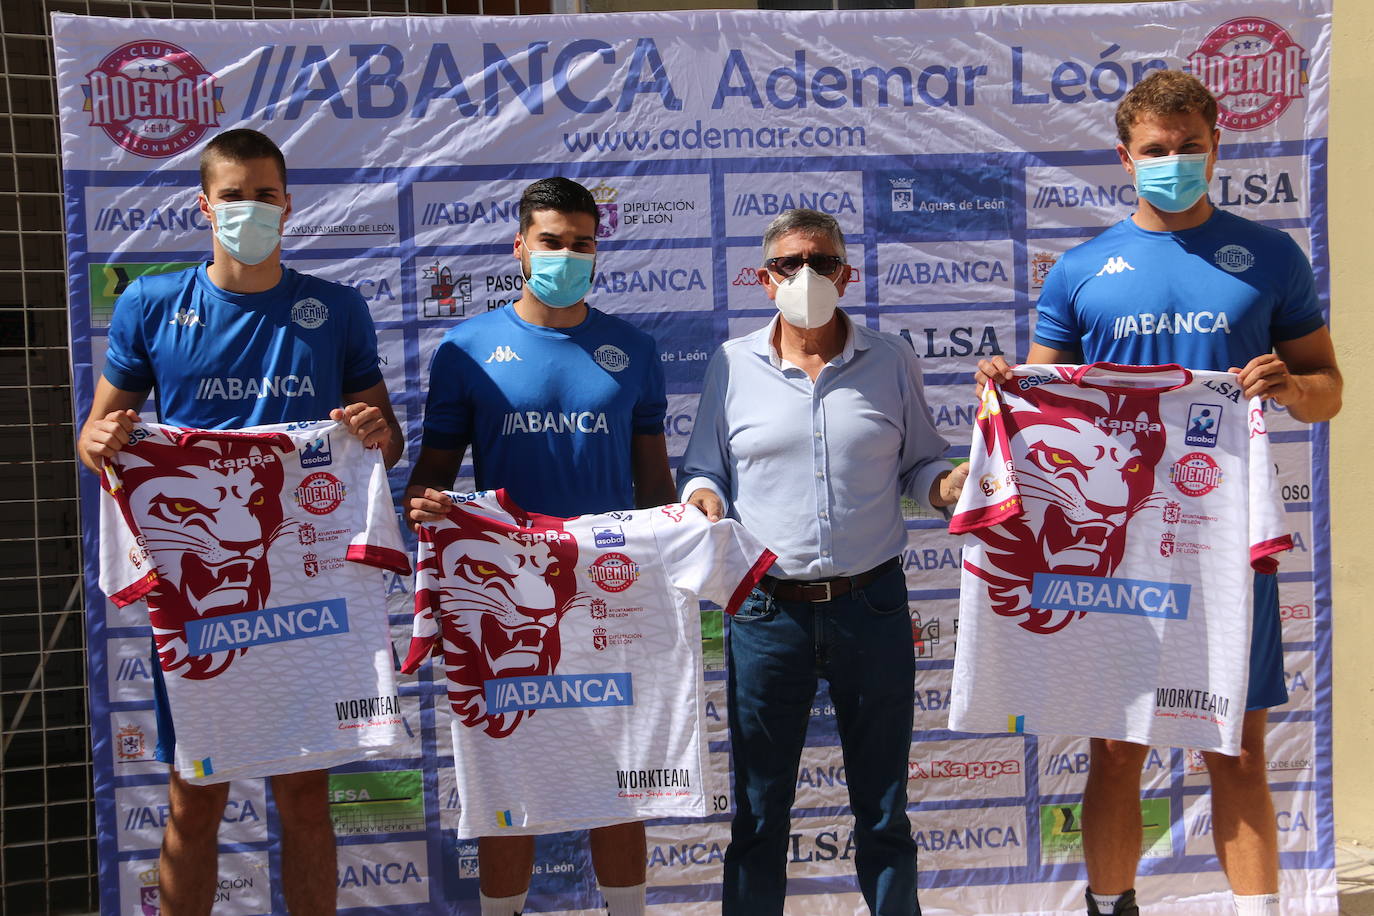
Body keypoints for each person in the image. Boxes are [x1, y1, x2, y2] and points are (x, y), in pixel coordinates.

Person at [978, 70, 1342, 916]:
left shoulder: (1271, 255)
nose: (1172, 162)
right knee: (1114, 748)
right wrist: (1006, 383)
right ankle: (1112, 906)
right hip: (1115, 546)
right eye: (1155, 151)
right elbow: (1045, 395)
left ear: (1217, 147)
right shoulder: (1079, 269)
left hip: (1224, 539)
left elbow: (1330, 389)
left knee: (1237, 751)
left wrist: (1290, 385)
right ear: (1125, 156)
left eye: (1188, 148)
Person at [77, 128, 402, 916]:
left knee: (304, 799)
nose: (250, 208)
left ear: (288, 205)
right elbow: (100, 437)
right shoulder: (151, 304)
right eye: (234, 195)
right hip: (201, 595)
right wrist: (93, 441)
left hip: (304, 584)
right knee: (196, 797)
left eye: (265, 194)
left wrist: (372, 433)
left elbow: (385, 438)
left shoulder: (337, 308)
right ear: (204, 205)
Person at [679, 208, 967, 916]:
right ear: (762, 277)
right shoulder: (731, 364)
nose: (805, 277)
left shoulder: (892, 359)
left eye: (821, 263)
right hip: (766, 611)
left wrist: (943, 484)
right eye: (788, 265)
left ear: (847, 274)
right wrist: (706, 499)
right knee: (757, 812)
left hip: (872, 607)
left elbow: (921, 460)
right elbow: (702, 468)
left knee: (883, 810)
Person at [404, 176, 676, 916]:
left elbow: (656, 491)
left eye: (582, 244)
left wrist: (674, 568)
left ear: (598, 250)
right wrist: (428, 507)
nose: (567, 255)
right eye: (551, 242)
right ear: (520, 247)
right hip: (503, 595)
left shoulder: (633, 350)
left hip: (609, 593)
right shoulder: (465, 351)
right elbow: (430, 483)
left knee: (619, 783)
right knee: (505, 775)